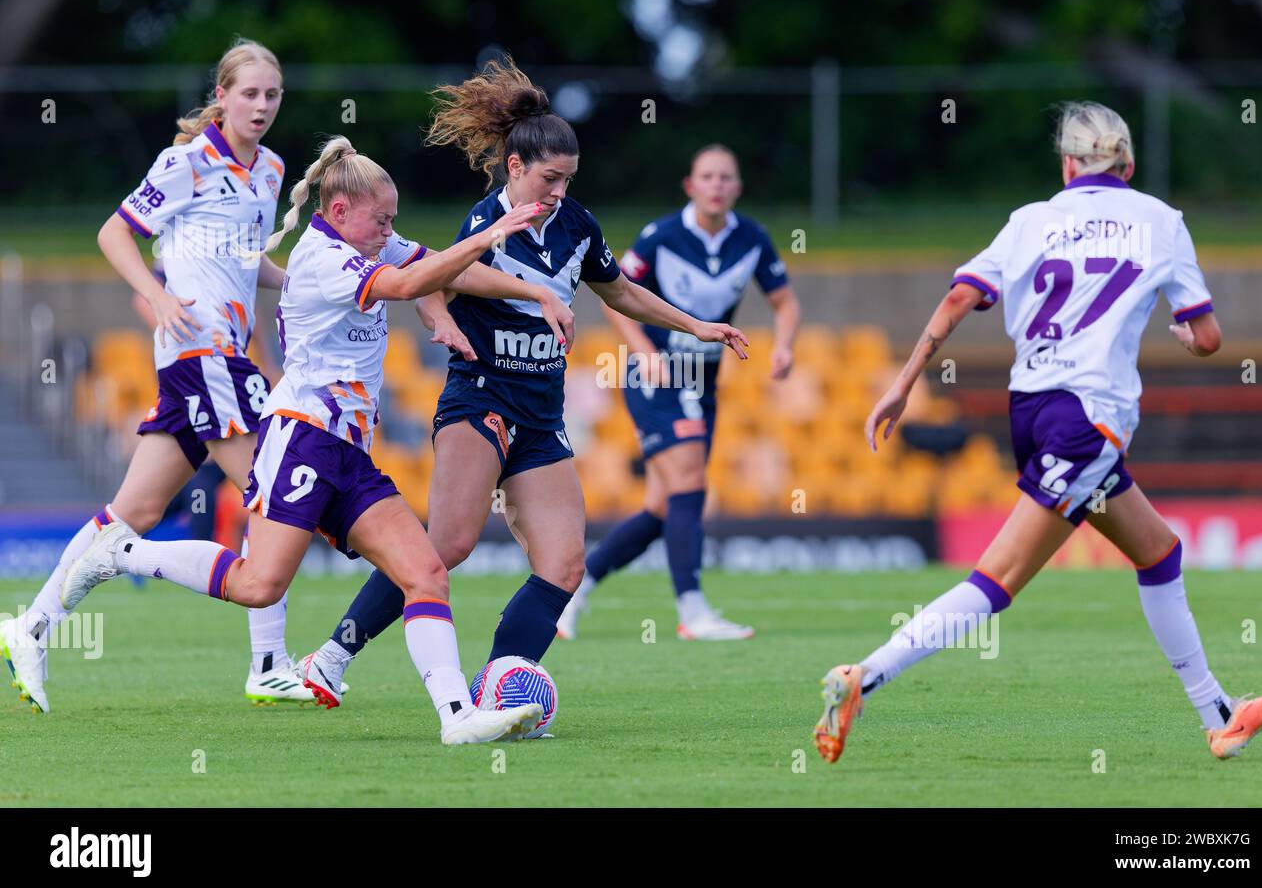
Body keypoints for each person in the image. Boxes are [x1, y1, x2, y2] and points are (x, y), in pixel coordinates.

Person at [815, 101, 1262, 764]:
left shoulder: (1029, 221)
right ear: (1128, 161)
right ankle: (865, 676)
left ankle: (1219, 716)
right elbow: (1208, 337)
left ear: (1067, 164)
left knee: (1158, 553)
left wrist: (901, 384)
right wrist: (1186, 335)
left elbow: (959, 299)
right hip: (1089, 421)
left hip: (1034, 413)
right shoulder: (1160, 222)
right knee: (998, 579)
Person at [63, 135, 567, 744]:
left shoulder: (369, 241)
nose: (391, 230)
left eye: (393, 219)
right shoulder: (324, 260)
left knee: (427, 573)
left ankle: (458, 718)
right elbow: (409, 286)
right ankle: (123, 554)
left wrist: (535, 290)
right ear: (338, 214)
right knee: (258, 585)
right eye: (382, 220)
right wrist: (488, 234)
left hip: (349, 453)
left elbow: (440, 267)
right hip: (300, 438)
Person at [292, 57, 749, 707]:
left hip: (540, 415)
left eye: (568, 179)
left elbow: (618, 290)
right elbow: (456, 274)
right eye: (549, 178)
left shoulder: (575, 225)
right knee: (447, 545)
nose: (559, 191)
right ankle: (332, 655)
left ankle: (500, 685)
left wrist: (695, 325)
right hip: (479, 399)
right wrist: (536, 293)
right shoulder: (485, 222)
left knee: (564, 564)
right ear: (515, 168)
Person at [0, 39, 316, 711]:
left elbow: (245, 256)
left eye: (272, 95)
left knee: (134, 511)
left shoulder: (272, 170)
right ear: (223, 96)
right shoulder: (186, 163)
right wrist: (158, 292)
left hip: (224, 356)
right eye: (249, 93)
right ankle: (268, 661)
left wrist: (292, 284)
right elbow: (115, 232)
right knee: (271, 489)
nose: (261, 106)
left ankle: (30, 628)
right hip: (200, 353)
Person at [557, 143, 801, 641]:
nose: (717, 185)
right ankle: (693, 611)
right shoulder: (661, 236)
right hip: (659, 377)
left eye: (726, 177)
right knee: (690, 482)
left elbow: (786, 301)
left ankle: (573, 592)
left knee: (664, 506)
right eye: (707, 176)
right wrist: (644, 350)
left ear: (737, 187)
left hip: (705, 380)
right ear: (691, 186)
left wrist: (785, 346)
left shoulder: (751, 238)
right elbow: (612, 294)